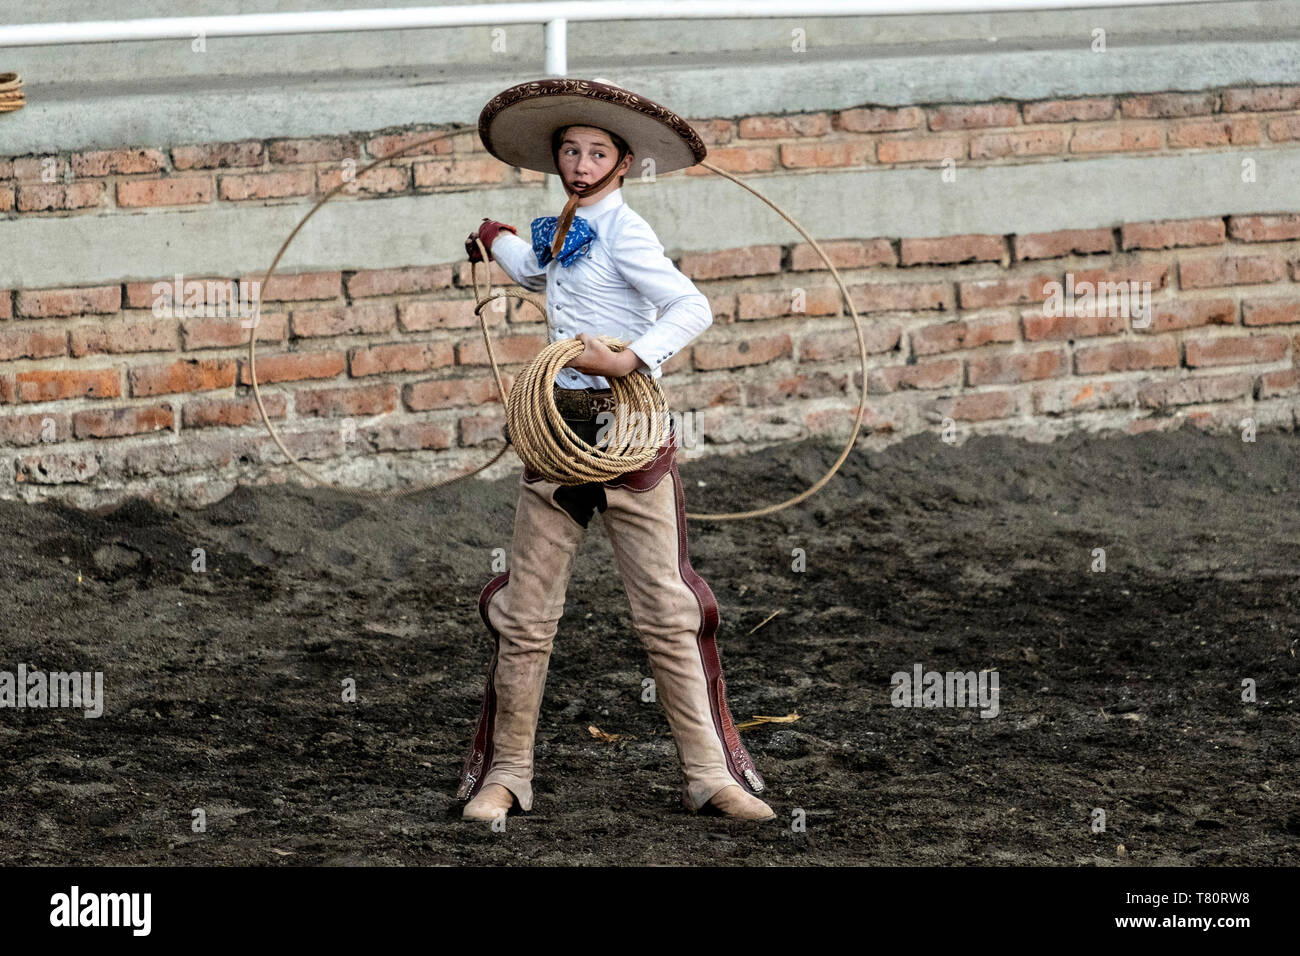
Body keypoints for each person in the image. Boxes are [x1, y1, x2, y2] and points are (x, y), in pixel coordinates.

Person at [457, 78, 773, 822]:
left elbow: (690, 306)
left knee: (666, 608)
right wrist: (495, 236)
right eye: (570, 150)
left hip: (625, 430)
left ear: (624, 163)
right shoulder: (560, 225)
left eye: (597, 151)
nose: (580, 161)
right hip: (557, 427)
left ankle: (708, 774)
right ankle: (507, 774)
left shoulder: (627, 231)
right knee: (526, 611)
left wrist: (631, 361)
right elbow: (539, 272)